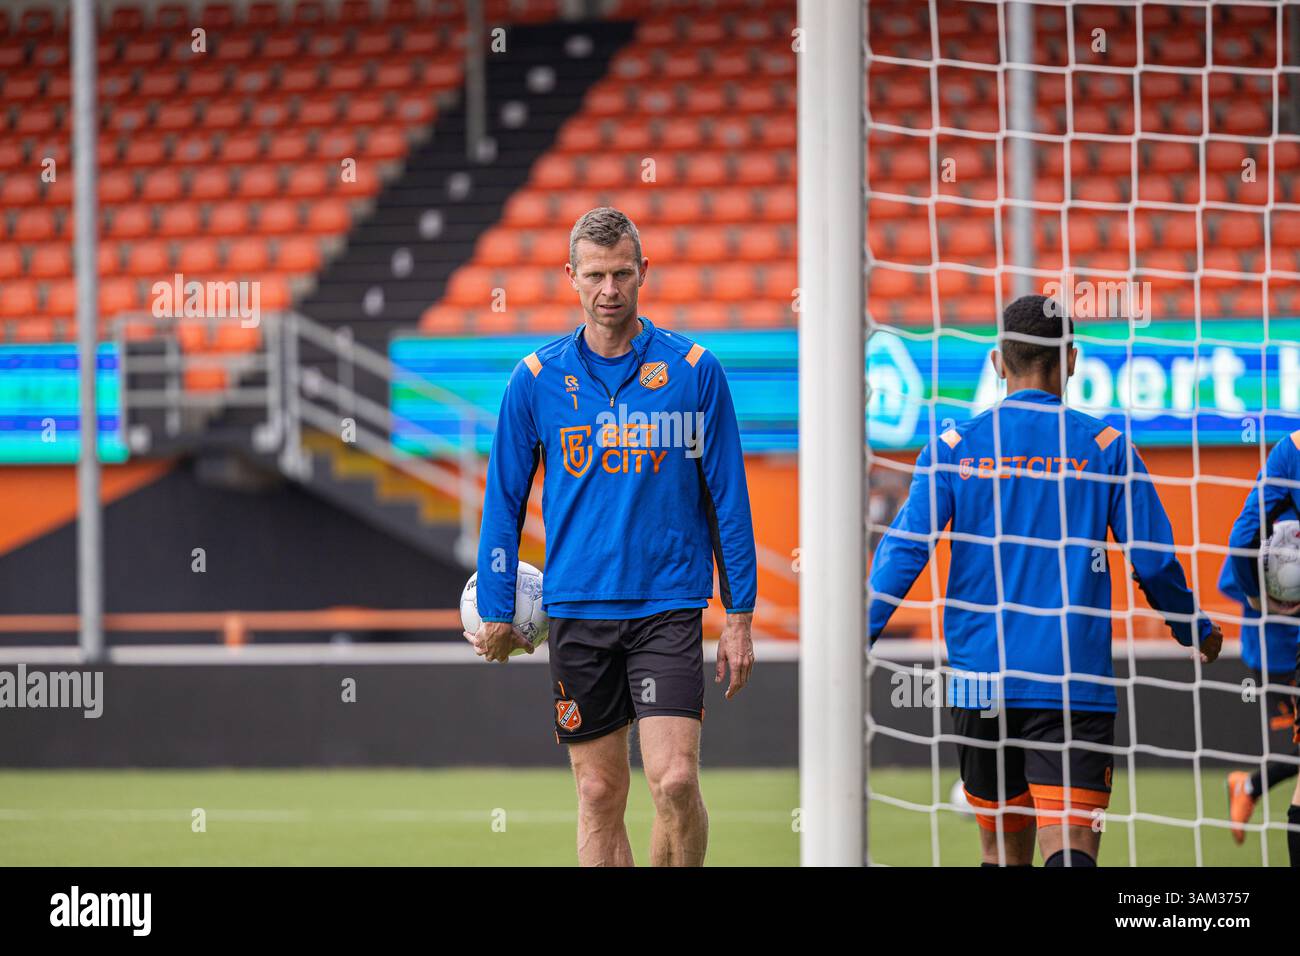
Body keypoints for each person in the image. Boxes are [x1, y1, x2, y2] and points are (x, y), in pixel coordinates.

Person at [869, 294, 1223, 867]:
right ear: (1074, 360)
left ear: (997, 362)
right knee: (1073, 848)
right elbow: (1154, 562)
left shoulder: (954, 448)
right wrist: (1194, 629)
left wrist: (856, 635)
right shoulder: (1107, 449)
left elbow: (903, 553)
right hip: (1071, 682)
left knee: (1003, 852)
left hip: (980, 683)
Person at [470, 207, 757, 866]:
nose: (609, 290)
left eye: (622, 274)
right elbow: (503, 504)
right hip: (577, 614)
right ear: (570, 277)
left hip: (667, 609)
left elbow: (729, 499)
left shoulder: (693, 371)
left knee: (676, 782)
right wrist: (495, 610)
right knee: (600, 791)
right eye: (595, 275)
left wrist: (739, 612)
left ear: (643, 273)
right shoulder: (535, 381)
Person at [1224, 434, 1300, 865]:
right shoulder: (1273, 539)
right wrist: (1262, 599)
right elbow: (1232, 565)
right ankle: (1248, 786)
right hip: (1275, 651)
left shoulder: (1285, 461)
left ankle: (1248, 786)